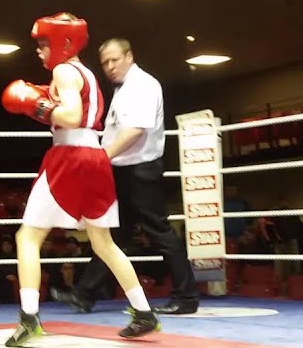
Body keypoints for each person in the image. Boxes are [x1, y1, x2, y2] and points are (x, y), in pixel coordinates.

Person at [0, 13, 159, 346]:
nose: (39, 51)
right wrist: (44, 97)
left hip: (69, 157)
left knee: (27, 236)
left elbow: (71, 116)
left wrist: (36, 105)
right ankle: (144, 313)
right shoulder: (85, 72)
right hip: (96, 157)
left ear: (62, 43)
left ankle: (29, 319)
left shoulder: (64, 71)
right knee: (104, 243)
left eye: (44, 44)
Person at [54, 38, 200, 315]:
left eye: (114, 60)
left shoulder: (142, 85)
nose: (109, 67)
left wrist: (100, 158)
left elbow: (135, 131)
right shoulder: (125, 89)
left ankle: (187, 296)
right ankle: (84, 294)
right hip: (125, 169)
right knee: (114, 235)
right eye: (105, 63)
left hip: (140, 169)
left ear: (129, 56)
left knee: (158, 231)